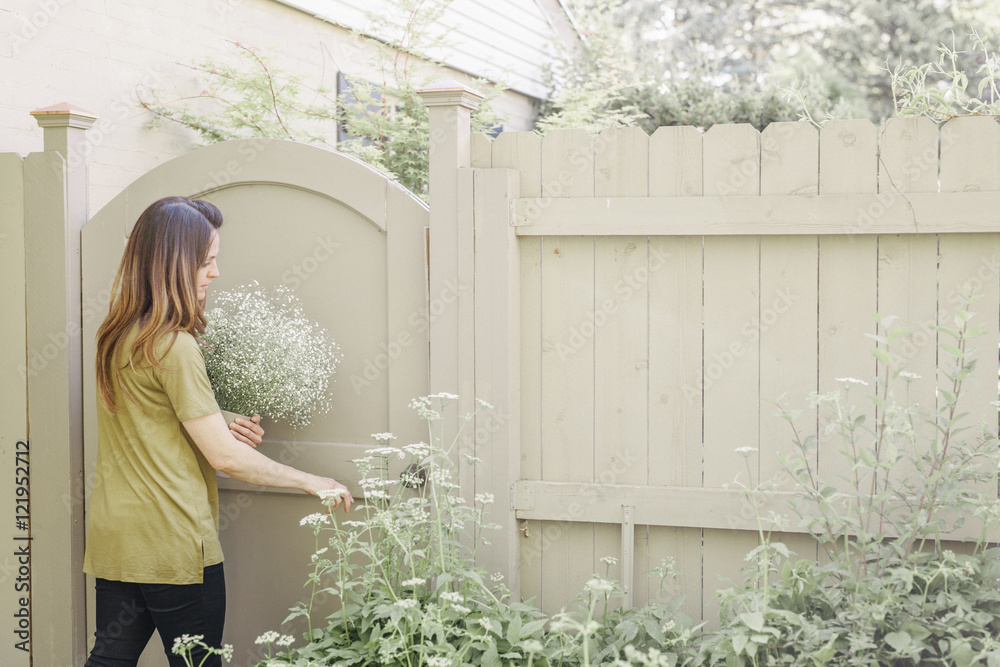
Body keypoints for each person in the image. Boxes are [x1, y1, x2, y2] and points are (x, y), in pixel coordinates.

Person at [83, 196, 353, 667]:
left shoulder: (118, 334)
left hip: (117, 535)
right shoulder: (174, 346)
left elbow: (148, 416)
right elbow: (225, 458)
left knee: (109, 659)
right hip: (173, 541)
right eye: (206, 261)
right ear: (174, 264)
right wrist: (312, 481)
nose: (214, 273)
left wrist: (217, 415)